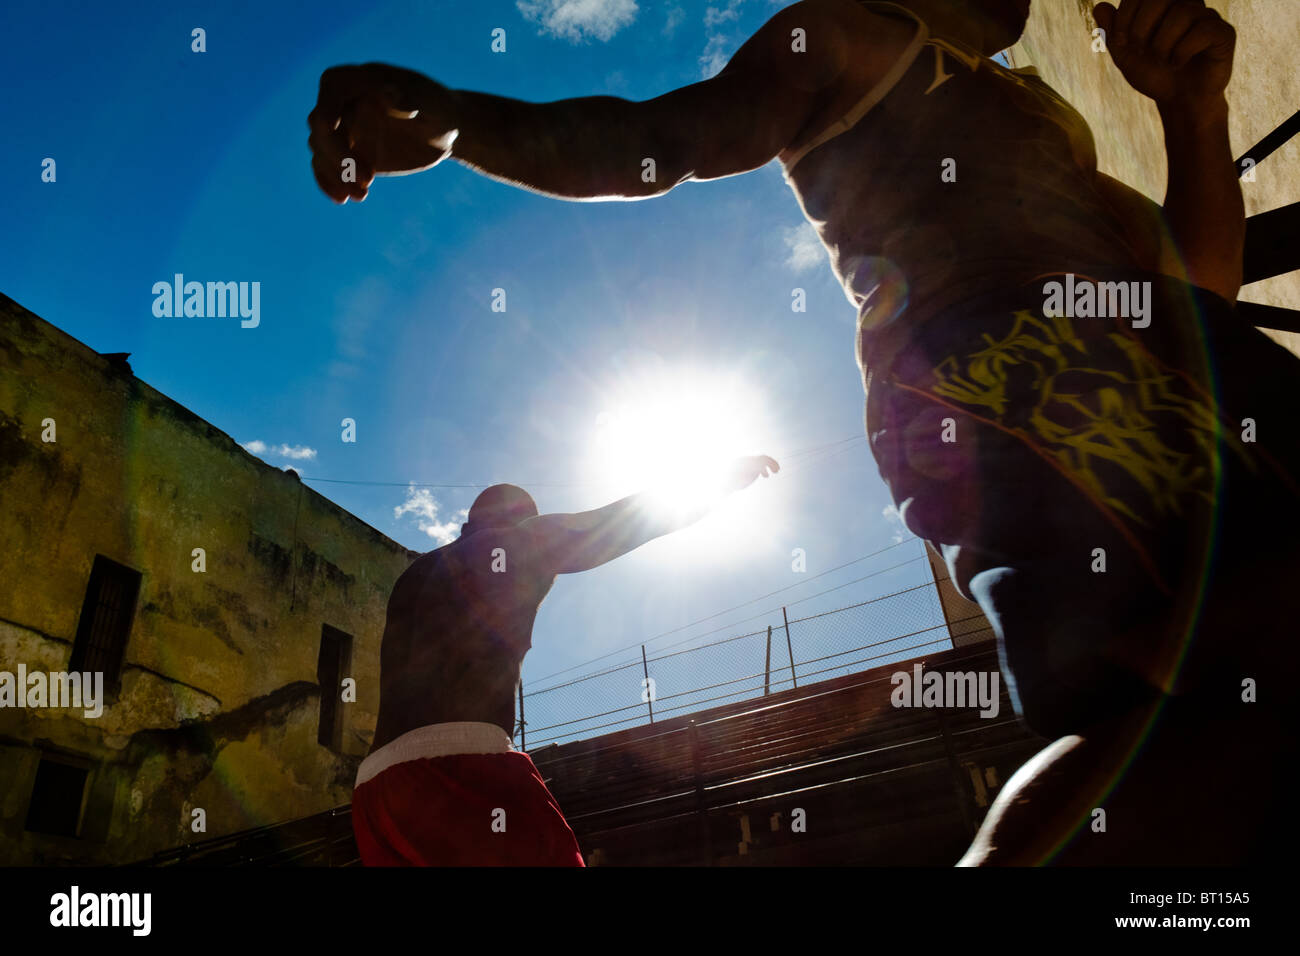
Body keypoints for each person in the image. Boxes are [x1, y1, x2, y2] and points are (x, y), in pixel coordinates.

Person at [311, 0, 1300, 864]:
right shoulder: (843, 37)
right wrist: (446, 119)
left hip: (1177, 365)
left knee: (1225, 678)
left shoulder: (1047, 117)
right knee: (1185, 676)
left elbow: (1188, 285)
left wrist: (1191, 111)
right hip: (1005, 368)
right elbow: (645, 143)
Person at [351, 456, 779, 865]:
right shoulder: (516, 540)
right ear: (524, 521)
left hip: (376, 791)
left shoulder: (414, 575)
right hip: (462, 768)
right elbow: (620, 524)